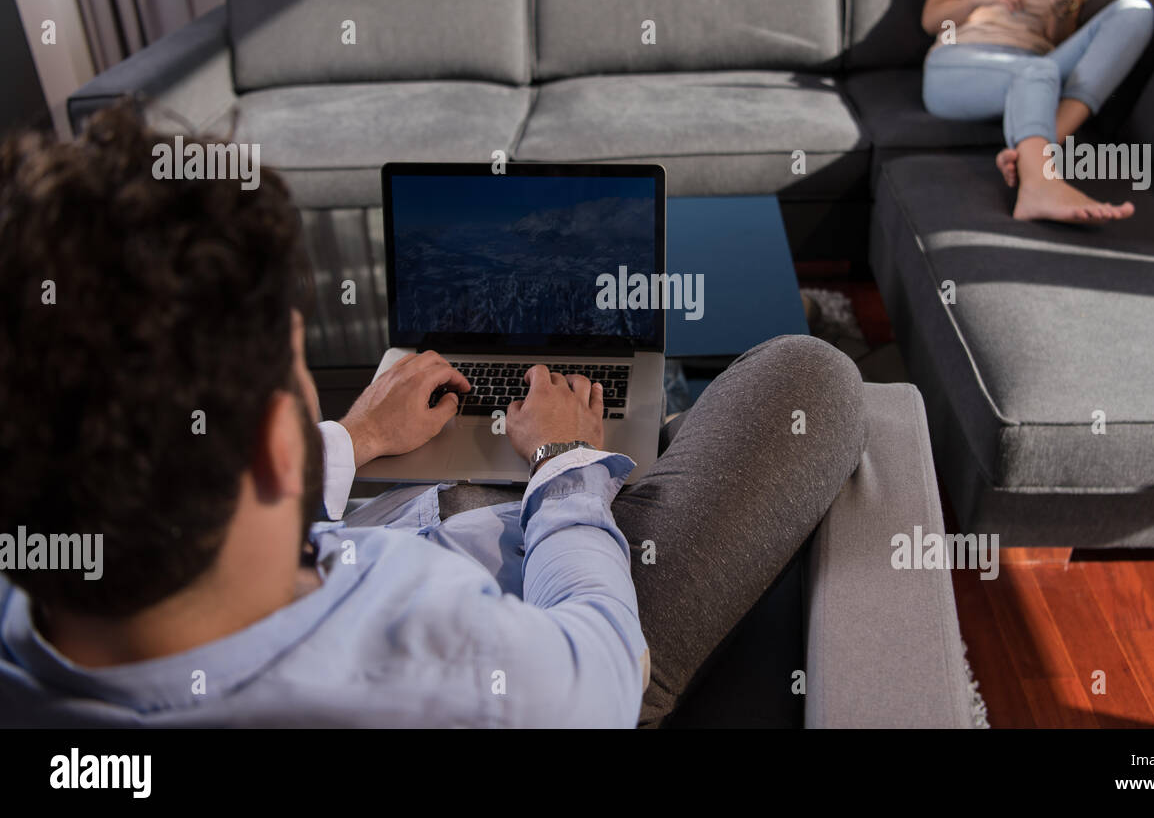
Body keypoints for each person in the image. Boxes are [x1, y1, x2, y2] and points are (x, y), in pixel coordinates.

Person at [0, 103, 868, 727]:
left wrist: (356, 437)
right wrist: (564, 466)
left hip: (393, 522)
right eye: (296, 369)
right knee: (808, 375)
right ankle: (628, 432)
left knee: (602, 436)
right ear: (273, 445)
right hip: (569, 620)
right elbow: (600, 674)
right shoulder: (459, 663)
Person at [920, 0, 1154, 224]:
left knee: (1135, 12)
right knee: (1037, 70)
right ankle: (1040, 183)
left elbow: (1061, 45)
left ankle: (1033, 149)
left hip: (1038, 67)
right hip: (960, 60)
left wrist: (1066, 5)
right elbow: (933, 19)